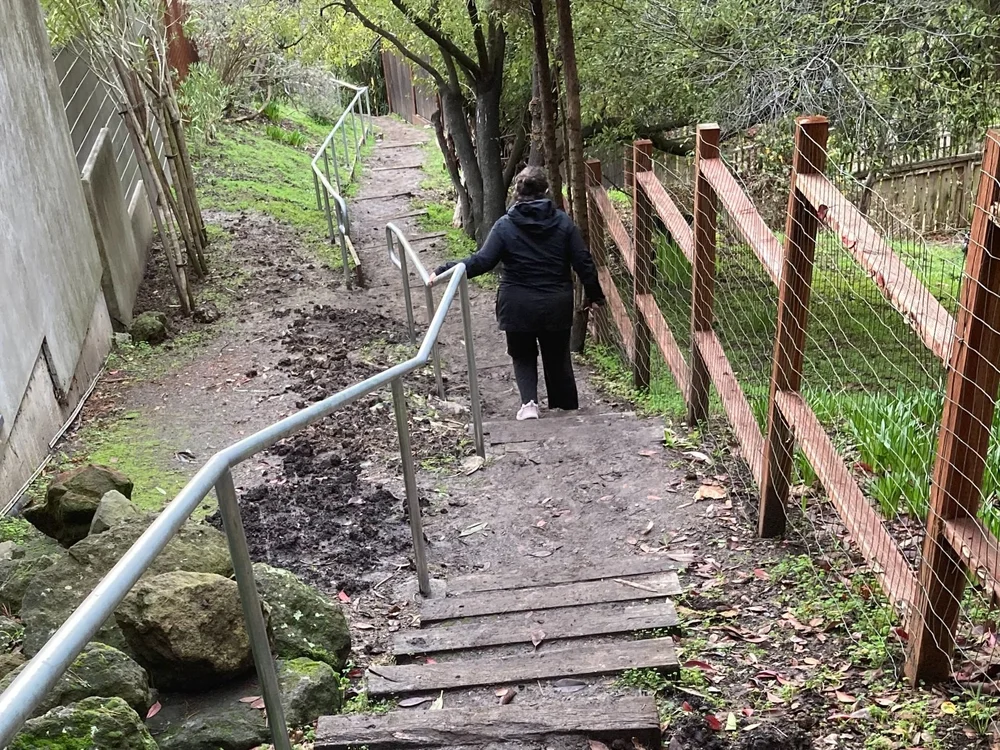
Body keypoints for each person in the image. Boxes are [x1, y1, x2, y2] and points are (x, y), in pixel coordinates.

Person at [430, 166, 605, 421]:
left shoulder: (505, 225)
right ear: (546, 191)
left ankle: (529, 404)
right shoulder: (563, 223)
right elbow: (583, 262)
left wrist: (446, 271)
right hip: (555, 302)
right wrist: (595, 294)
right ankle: (567, 409)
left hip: (516, 302)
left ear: (516, 193)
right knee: (557, 355)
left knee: (522, 353)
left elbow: (482, 261)